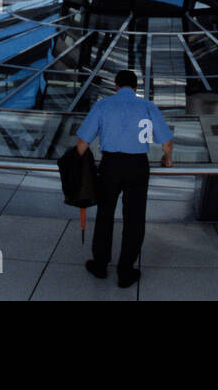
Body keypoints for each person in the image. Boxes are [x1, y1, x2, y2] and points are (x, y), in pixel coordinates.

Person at [76, 69, 174, 288]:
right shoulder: (148, 106)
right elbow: (166, 142)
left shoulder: (103, 105)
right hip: (138, 166)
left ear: (116, 86)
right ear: (136, 88)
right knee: (135, 219)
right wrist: (167, 159)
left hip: (110, 165)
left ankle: (100, 265)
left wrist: (77, 165)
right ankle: (125, 271)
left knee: (105, 215)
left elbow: (82, 143)